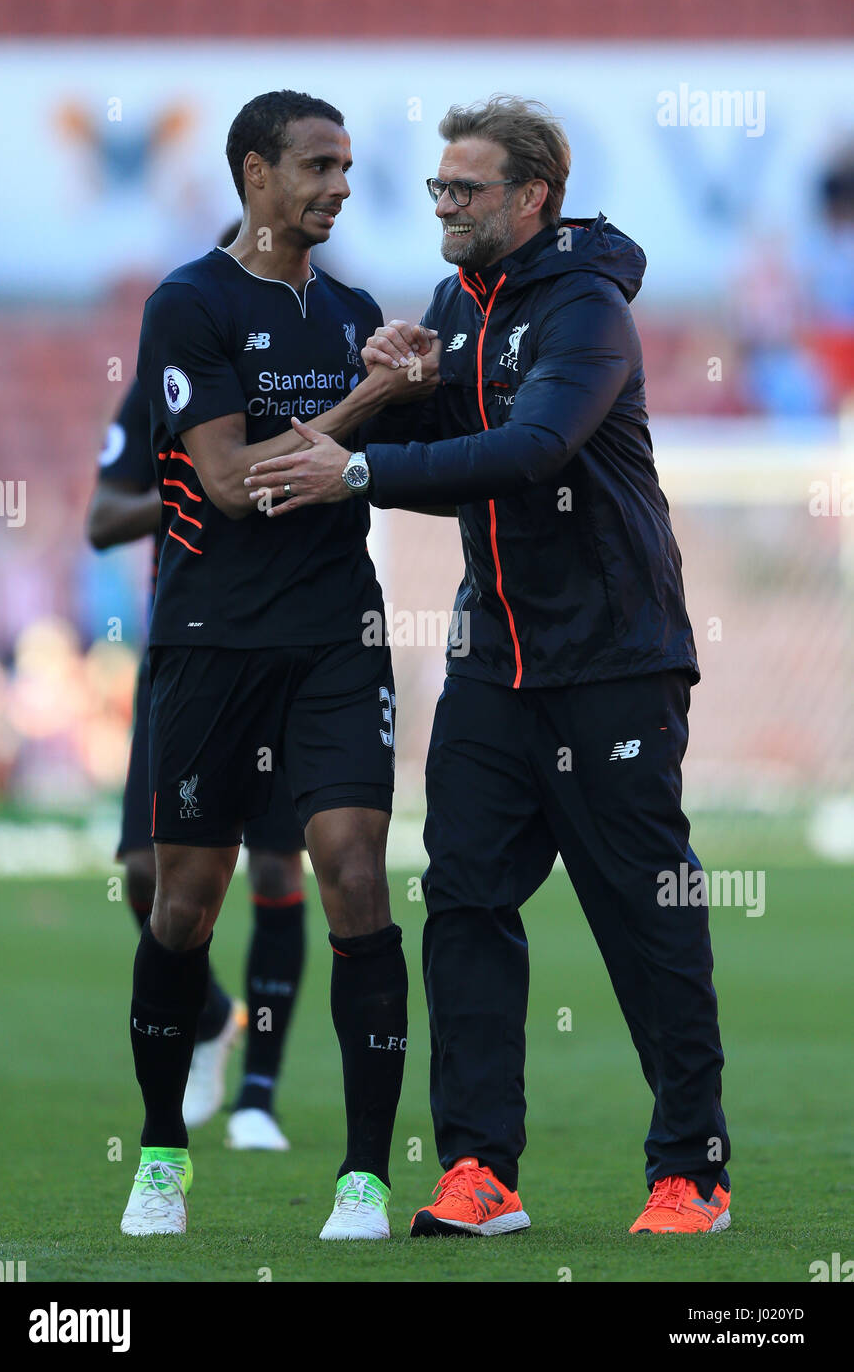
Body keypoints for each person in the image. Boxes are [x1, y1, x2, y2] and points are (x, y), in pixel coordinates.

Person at [250, 95, 732, 1238]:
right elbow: (424, 445)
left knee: (641, 913)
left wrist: (358, 474)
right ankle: (479, 1169)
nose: (441, 207)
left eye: (462, 191)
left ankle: (690, 1174)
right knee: (462, 901)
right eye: (435, 190)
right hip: (492, 664)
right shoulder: (451, 310)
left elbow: (531, 452)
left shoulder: (586, 313)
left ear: (529, 198)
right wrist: (381, 392)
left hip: (610, 657)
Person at [120, 89, 440, 1239]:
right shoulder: (189, 303)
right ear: (254, 174)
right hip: (212, 643)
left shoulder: (353, 308)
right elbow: (223, 482)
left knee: (354, 869)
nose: (339, 186)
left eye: (348, 167)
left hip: (337, 642)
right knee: (184, 905)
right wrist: (372, 393)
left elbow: (401, 455)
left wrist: (429, 375)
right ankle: (162, 1153)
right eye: (316, 165)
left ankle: (364, 1174)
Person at [86, 268, 307, 1152]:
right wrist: (194, 482)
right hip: (188, 647)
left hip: (291, 643)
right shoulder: (166, 370)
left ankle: (257, 1096)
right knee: (148, 873)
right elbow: (102, 518)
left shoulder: (310, 369)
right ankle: (216, 1014)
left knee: (277, 867)